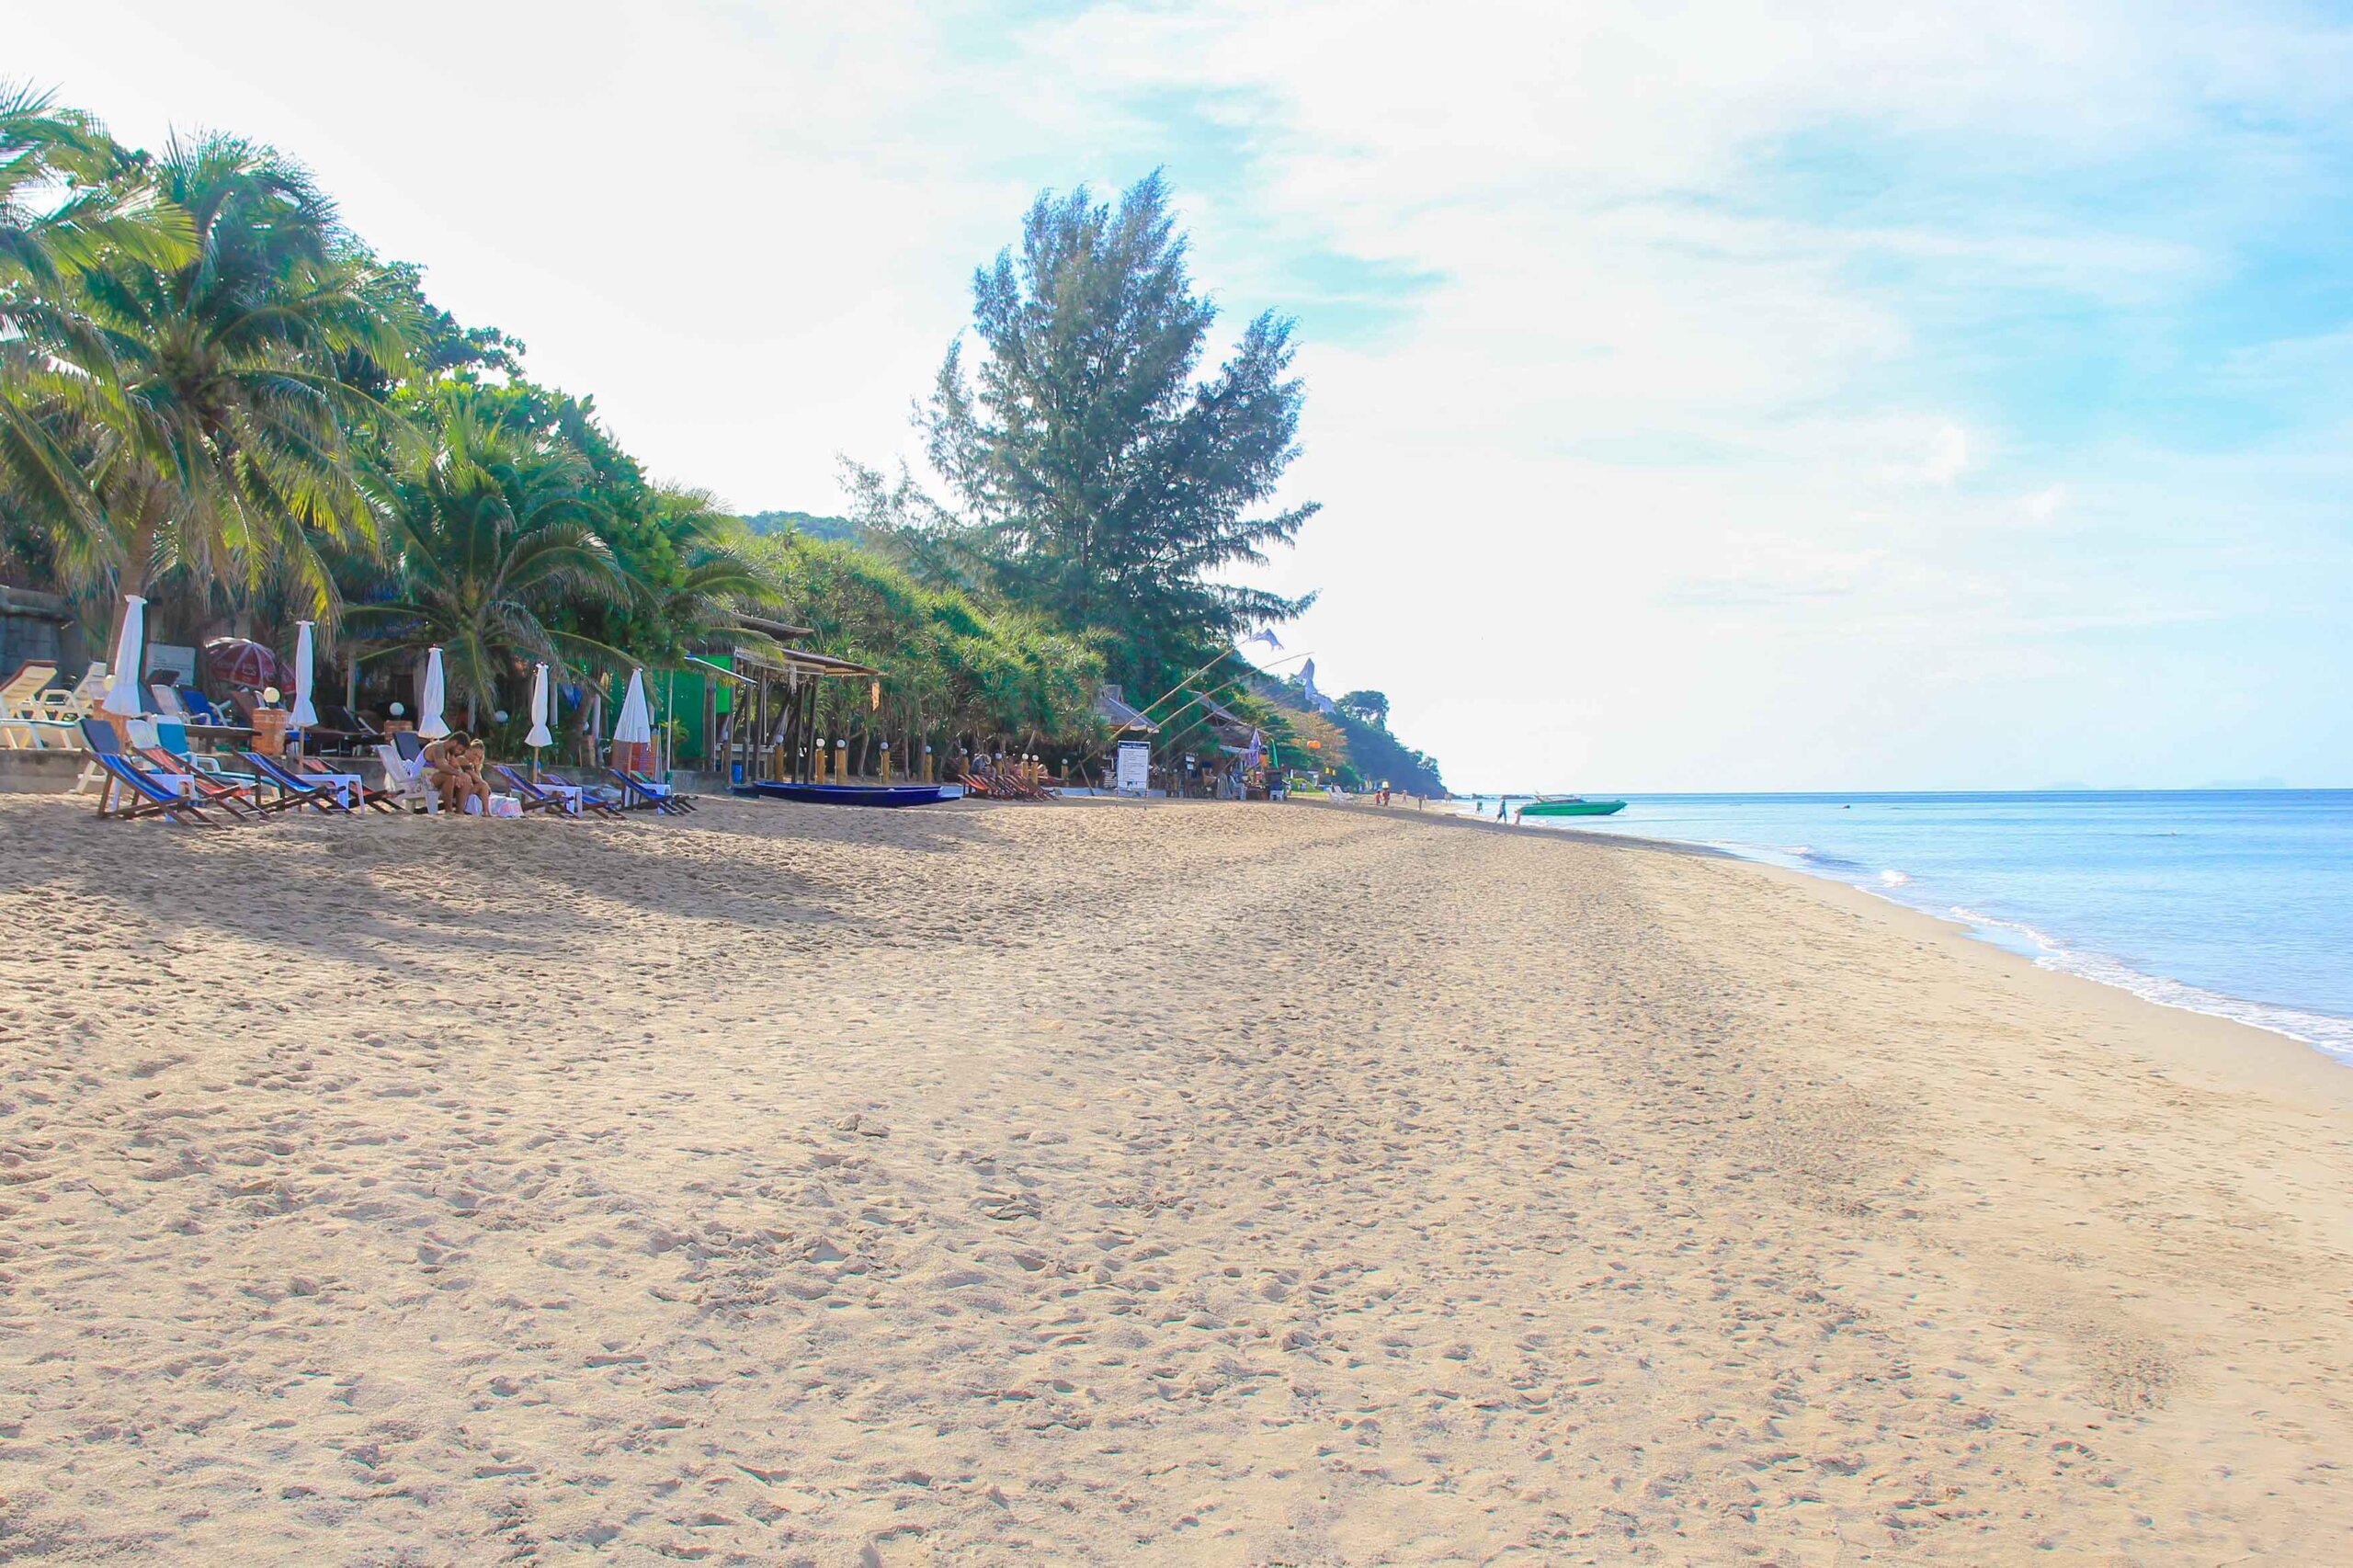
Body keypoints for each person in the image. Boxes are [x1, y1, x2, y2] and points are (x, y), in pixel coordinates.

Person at [423, 730, 493, 815]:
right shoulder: (438, 747)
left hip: (436, 776)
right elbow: (442, 766)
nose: (459, 753)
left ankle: (459, 811)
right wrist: (458, 774)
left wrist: (460, 775)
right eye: (460, 749)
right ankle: (449, 810)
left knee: (466, 778)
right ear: (454, 742)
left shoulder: (449, 753)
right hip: (423, 777)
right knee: (449, 776)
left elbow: (456, 767)